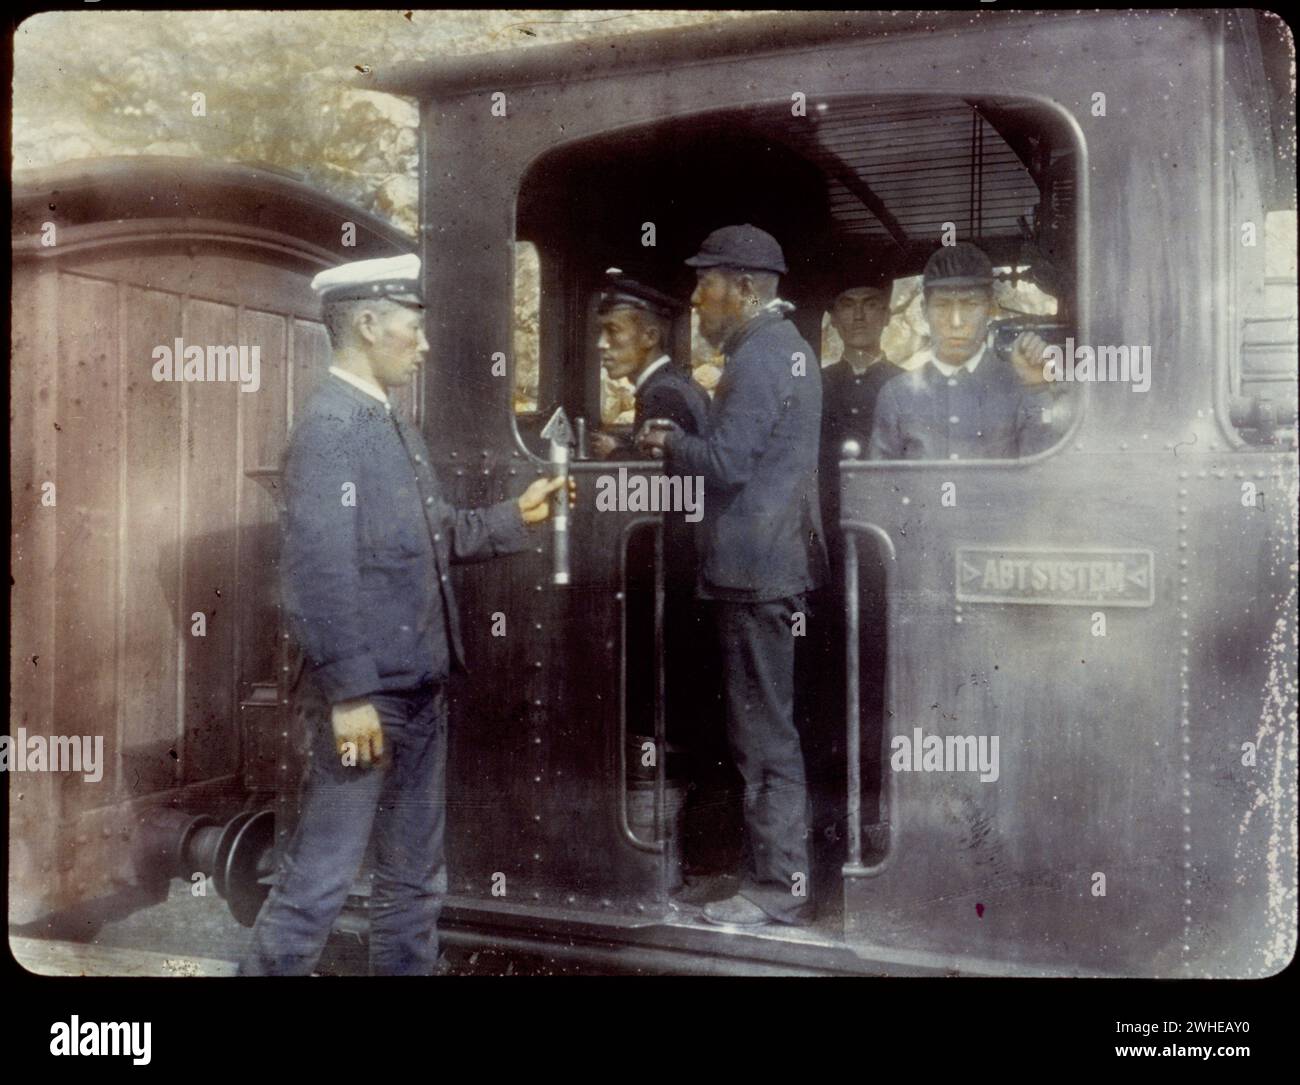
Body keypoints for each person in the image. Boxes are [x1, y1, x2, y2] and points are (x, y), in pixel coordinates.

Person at [240, 253, 567, 976]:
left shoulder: (387, 423)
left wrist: (516, 516)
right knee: (318, 883)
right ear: (366, 323)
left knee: (414, 884)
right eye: (411, 328)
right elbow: (316, 575)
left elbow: (435, 533)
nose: (422, 345)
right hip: (368, 701)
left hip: (418, 690)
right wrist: (351, 694)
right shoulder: (331, 430)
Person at [640, 224, 826, 927]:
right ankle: (774, 877)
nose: (697, 297)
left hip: (753, 572)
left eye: (706, 282)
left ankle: (776, 888)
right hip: (771, 568)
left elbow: (726, 464)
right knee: (767, 730)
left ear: (744, 288)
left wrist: (671, 441)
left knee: (764, 736)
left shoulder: (759, 357)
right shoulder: (788, 350)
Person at [869, 242, 1068, 460]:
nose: (956, 321)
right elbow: (880, 486)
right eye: (943, 305)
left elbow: (1043, 475)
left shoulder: (1024, 386)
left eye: (970, 305)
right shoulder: (897, 394)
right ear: (924, 311)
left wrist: (1036, 389)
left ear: (991, 307)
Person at [589, 271, 708, 460]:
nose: (601, 344)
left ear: (650, 337)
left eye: (612, 331)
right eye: (601, 332)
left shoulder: (663, 395)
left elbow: (656, 479)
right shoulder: (672, 383)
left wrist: (614, 453)